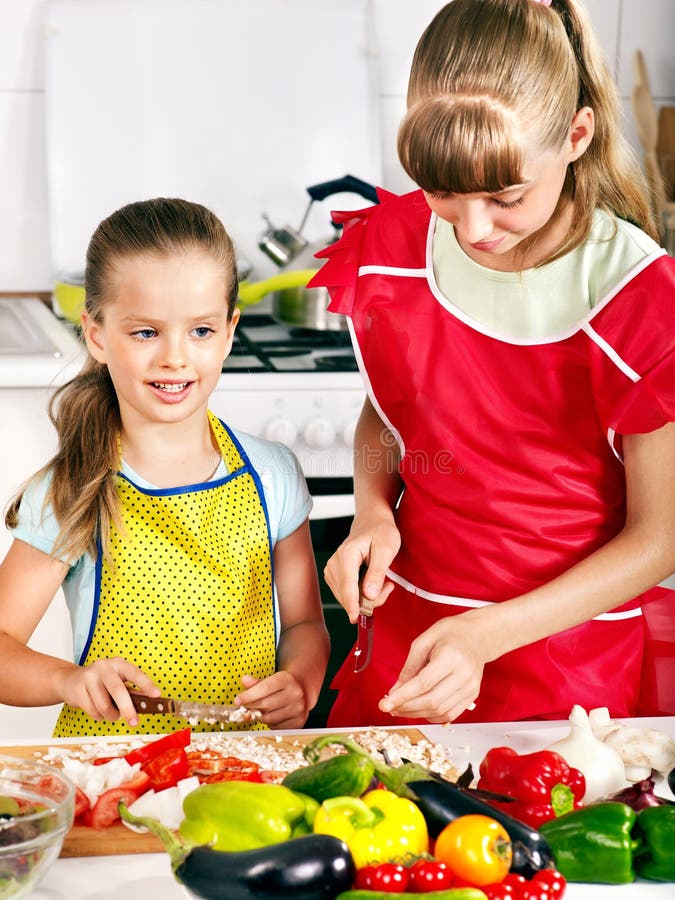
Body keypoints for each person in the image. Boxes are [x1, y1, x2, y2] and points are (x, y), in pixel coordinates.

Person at [312, 0, 675, 727]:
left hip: (566, 669)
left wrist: (486, 634)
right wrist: (372, 512)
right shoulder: (395, 242)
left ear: (576, 135)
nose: (473, 229)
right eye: (444, 194)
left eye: (505, 197)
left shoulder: (639, 302)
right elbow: (388, 412)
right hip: (410, 642)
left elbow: (658, 538)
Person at [0, 197, 329, 736]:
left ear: (229, 331)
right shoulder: (73, 487)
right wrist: (67, 680)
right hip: (112, 776)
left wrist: (301, 681)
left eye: (199, 331)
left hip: (244, 772)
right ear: (98, 335)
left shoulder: (274, 474)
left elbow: (304, 623)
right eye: (146, 332)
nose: (174, 357)